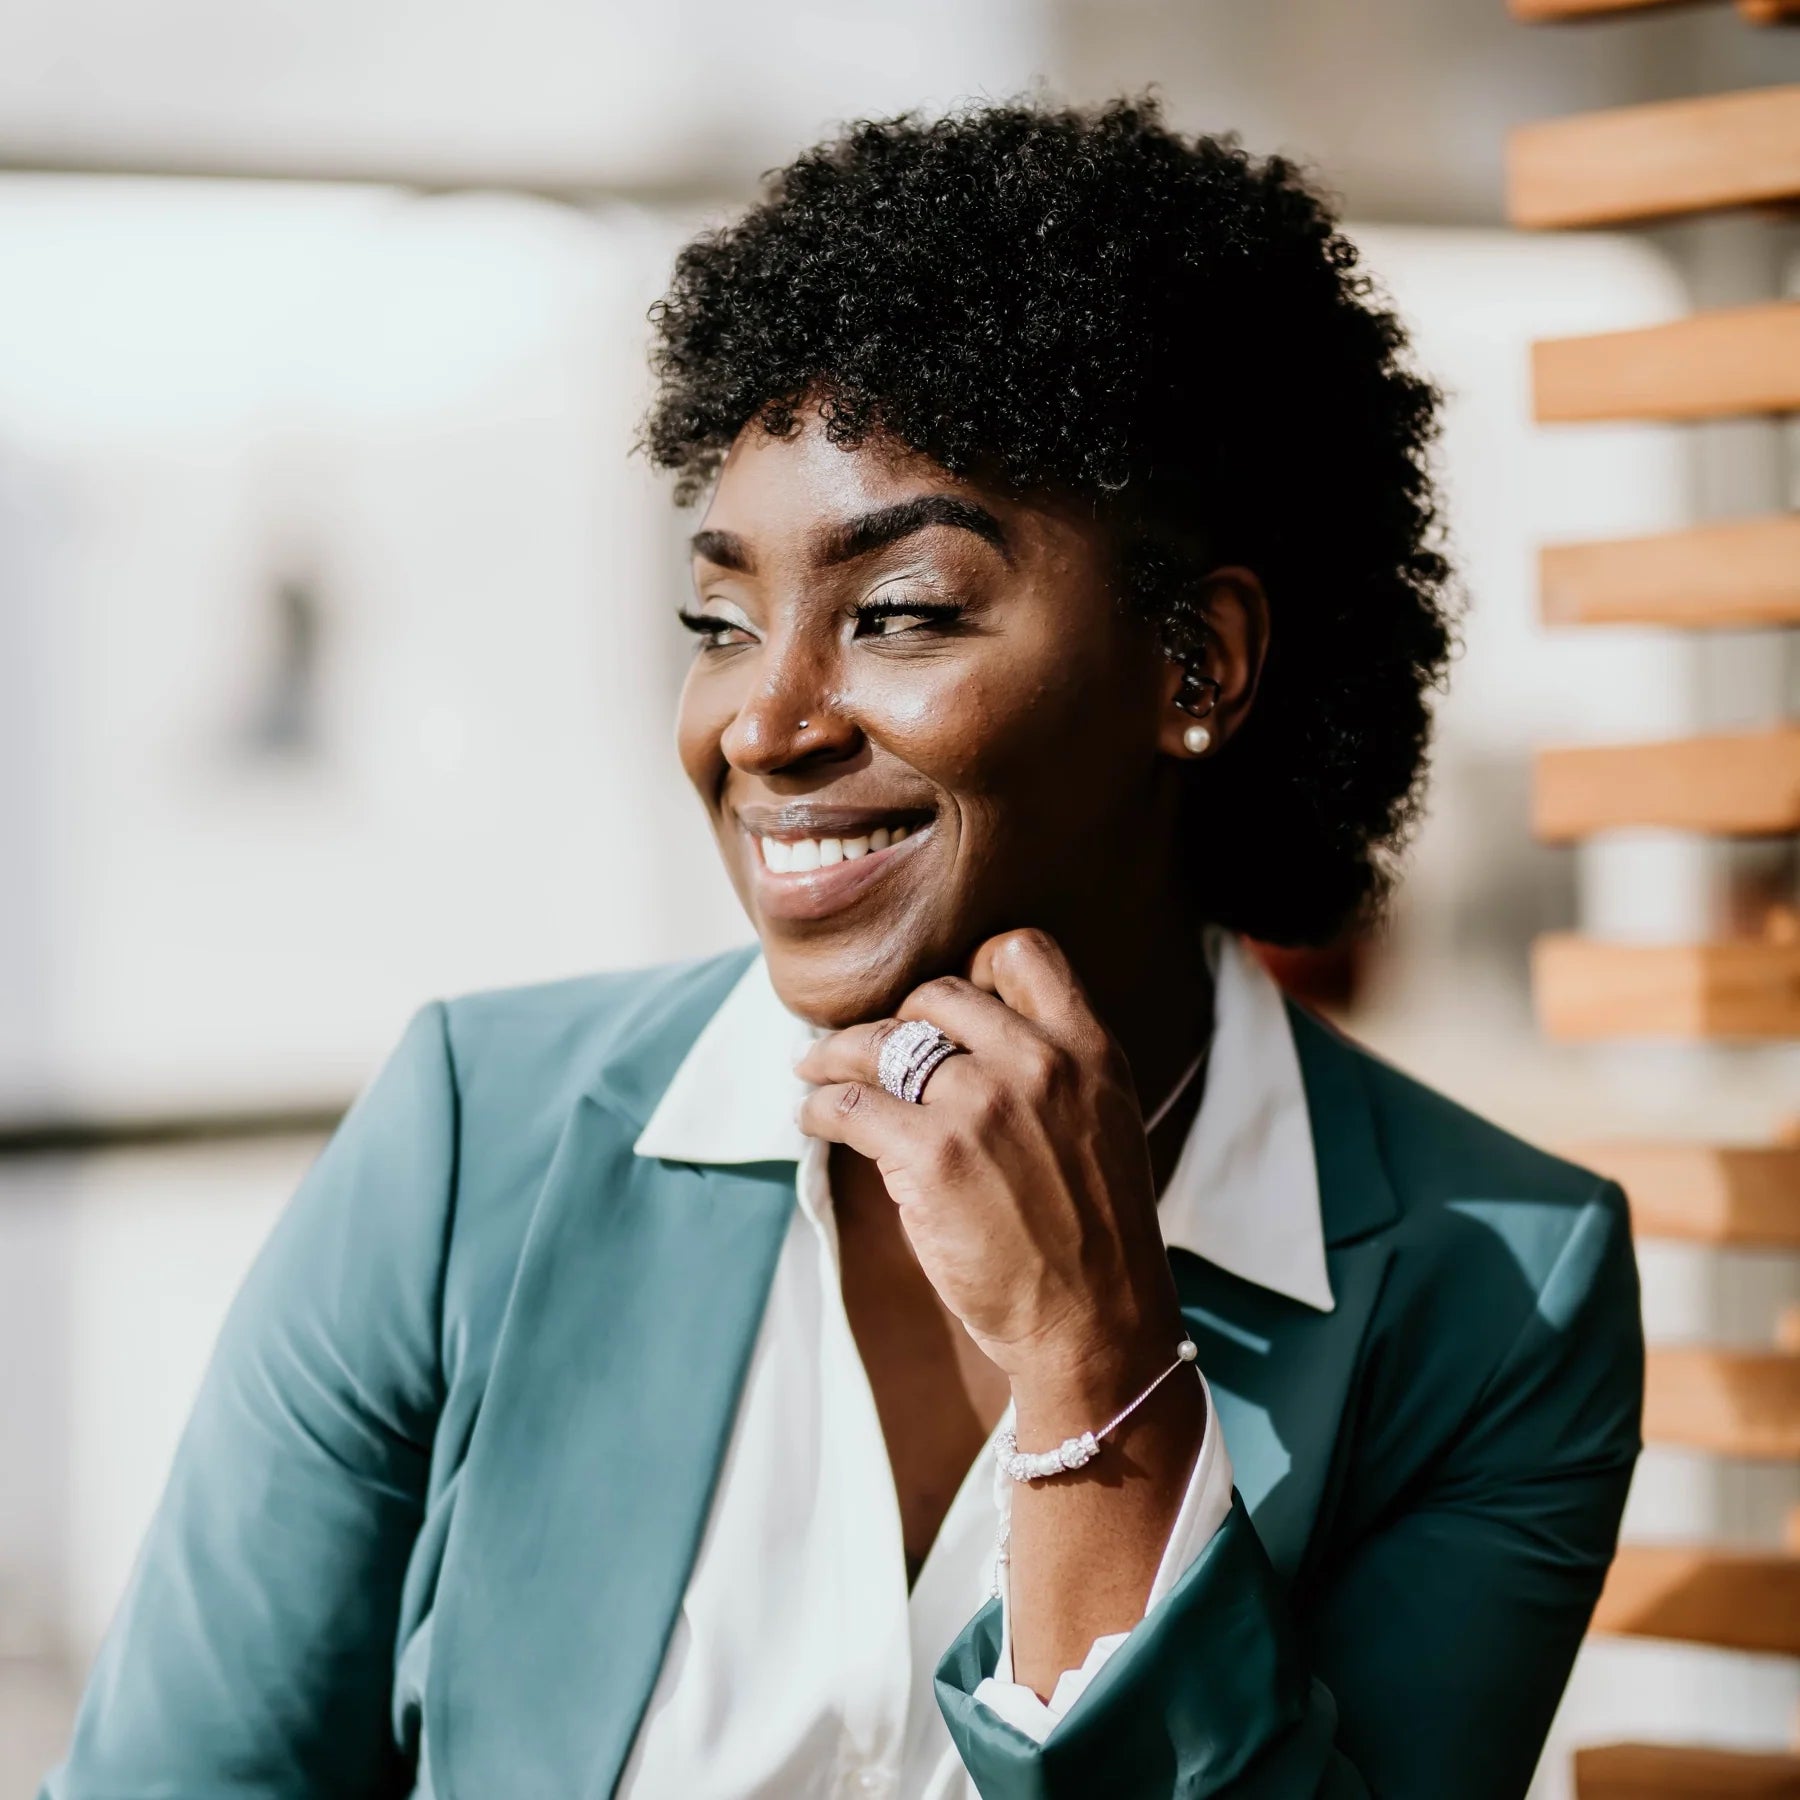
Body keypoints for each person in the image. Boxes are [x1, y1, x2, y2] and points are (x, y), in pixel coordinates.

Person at [43, 96, 1643, 1800]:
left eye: (898, 612)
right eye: (721, 621)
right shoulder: (469, 1152)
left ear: (1197, 665)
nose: (765, 721)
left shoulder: (1497, 1298)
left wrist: (1094, 1372)